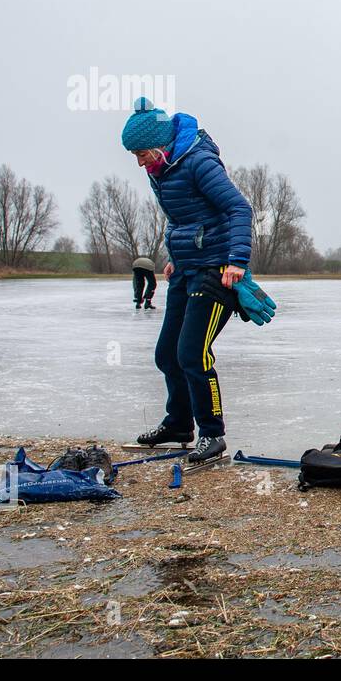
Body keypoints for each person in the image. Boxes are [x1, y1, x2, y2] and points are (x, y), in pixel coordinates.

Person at [120, 98, 253, 464]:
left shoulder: (198, 162)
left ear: (161, 145)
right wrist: (175, 260)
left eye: (142, 152)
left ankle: (213, 434)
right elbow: (183, 221)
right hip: (187, 269)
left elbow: (239, 208)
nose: (139, 161)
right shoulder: (160, 172)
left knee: (193, 354)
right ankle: (179, 424)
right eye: (134, 154)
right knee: (167, 354)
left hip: (216, 273)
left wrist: (236, 262)